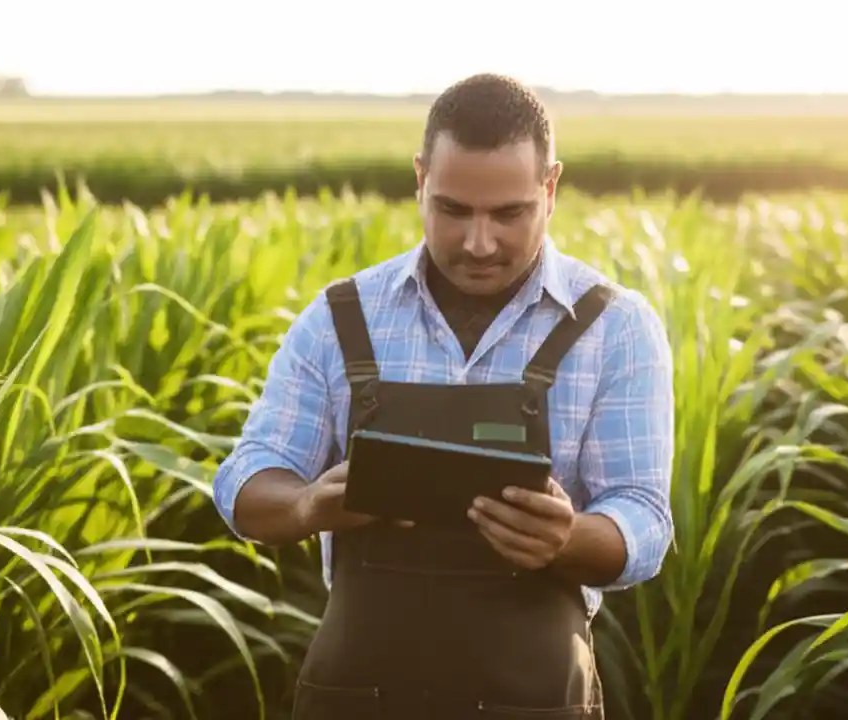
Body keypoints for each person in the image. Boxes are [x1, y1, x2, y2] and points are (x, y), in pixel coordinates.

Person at [212, 73, 674, 720]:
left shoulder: (615, 328)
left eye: (509, 214)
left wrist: (565, 539)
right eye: (453, 210)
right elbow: (243, 483)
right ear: (420, 179)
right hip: (357, 699)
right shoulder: (343, 316)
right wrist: (307, 505)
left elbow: (646, 520)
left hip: (534, 700)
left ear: (551, 187)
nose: (478, 243)